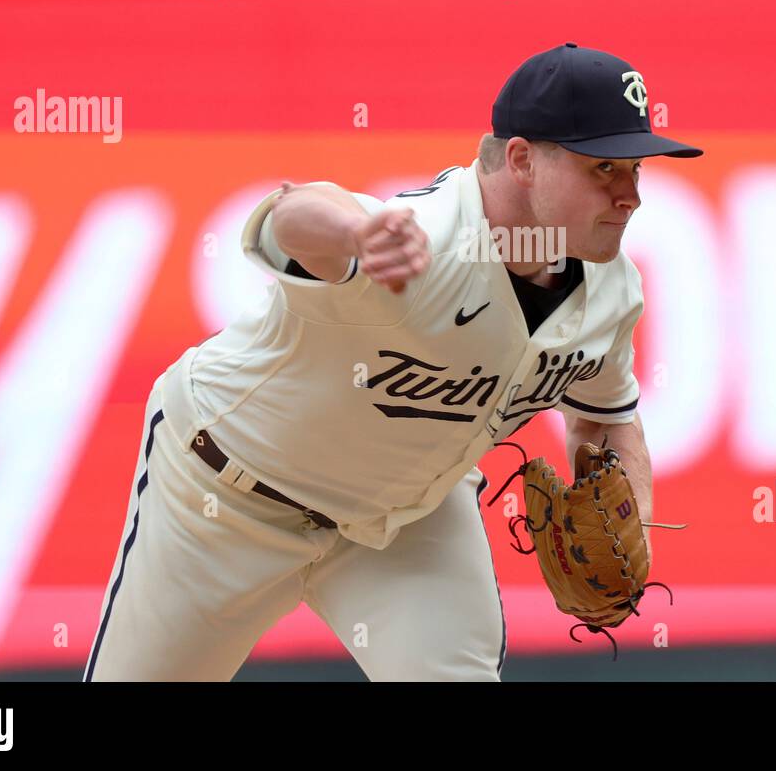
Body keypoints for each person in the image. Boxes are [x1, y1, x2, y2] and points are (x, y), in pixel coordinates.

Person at [83, 41, 702, 681]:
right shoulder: (418, 238)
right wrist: (353, 236)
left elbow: (604, 417)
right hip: (225, 497)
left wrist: (636, 525)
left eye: (637, 168)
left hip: (408, 521)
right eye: (604, 167)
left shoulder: (611, 291)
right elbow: (289, 217)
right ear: (521, 160)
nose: (630, 194)